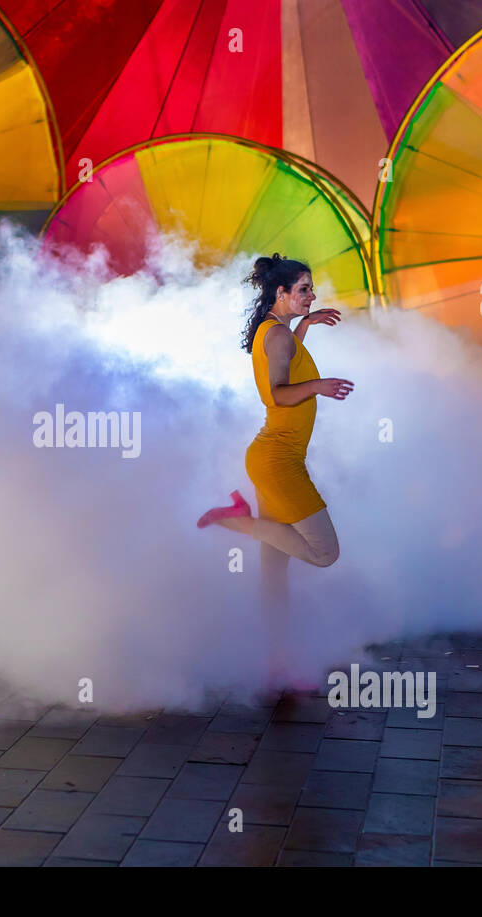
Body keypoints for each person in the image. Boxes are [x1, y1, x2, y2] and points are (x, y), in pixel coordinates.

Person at [196, 253, 354, 689]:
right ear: (281, 293)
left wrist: (306, 324)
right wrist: (321, 385)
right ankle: (237, 521)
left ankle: (275, 661)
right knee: (324, 553)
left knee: (273, 571)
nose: (311, 295)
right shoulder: (278, 337)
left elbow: (287, 355)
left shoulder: (278, 329)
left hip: (273, 458)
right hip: (278, 462)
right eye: (303, 289)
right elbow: (278, 395)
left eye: (311, 289)